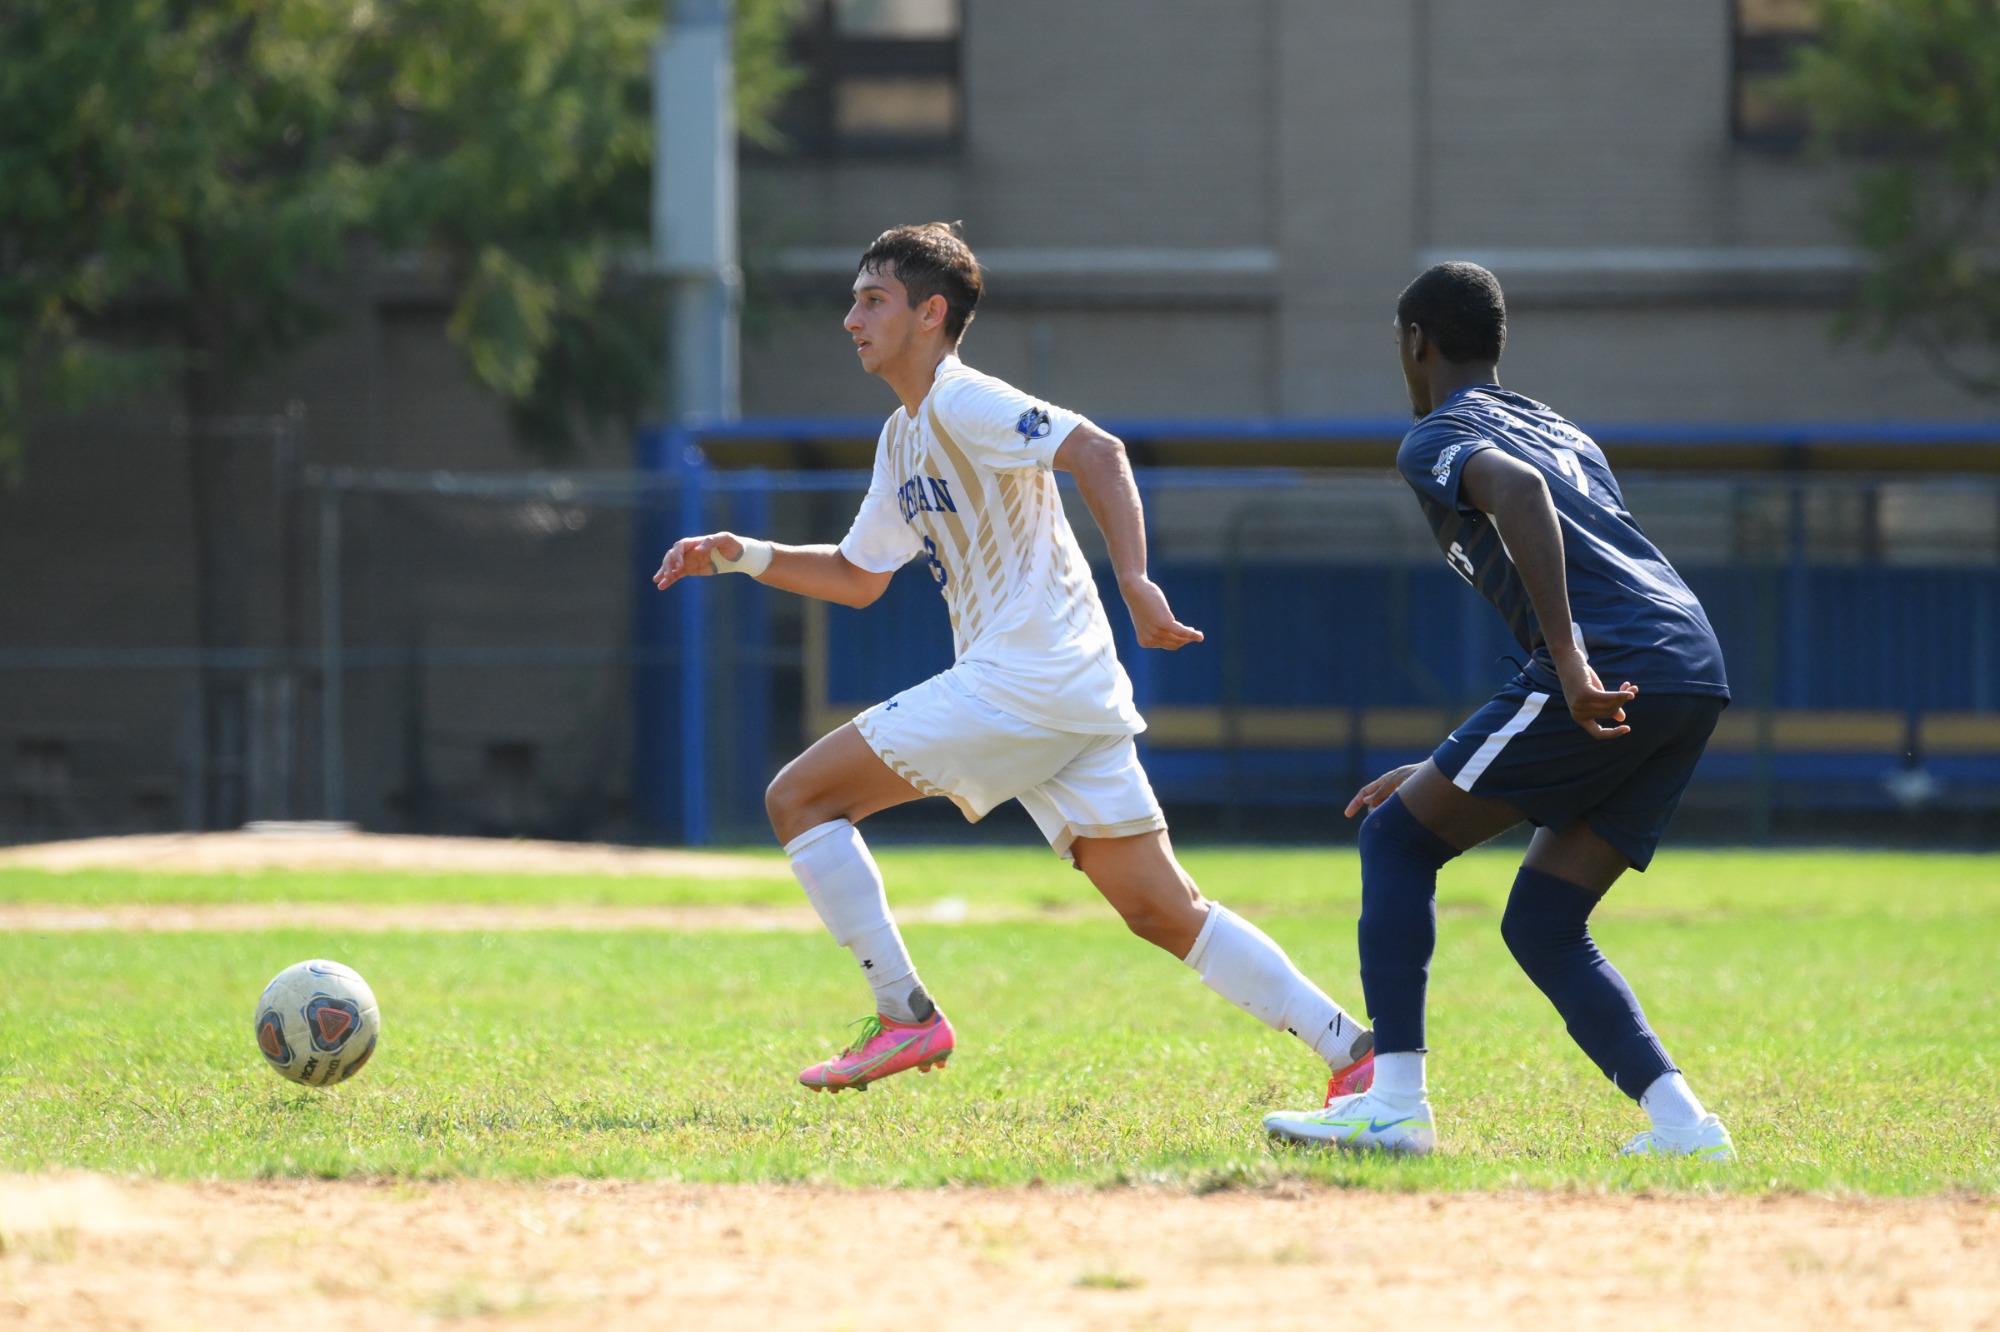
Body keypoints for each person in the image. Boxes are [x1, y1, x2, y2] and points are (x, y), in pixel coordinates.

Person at [654, 222, 1375, 1100]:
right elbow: (857, 577)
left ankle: (905, 1017)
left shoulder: (964, 401)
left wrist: (1138, 581)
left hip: (1025, 682)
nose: (851, 318)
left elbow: (1097, 449)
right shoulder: (902, 436)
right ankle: (1354, 1055)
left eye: (871, 299)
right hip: (1067, 693)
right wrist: (743, 553)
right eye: (853, 299)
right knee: (1162, 909)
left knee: (798, 797)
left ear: (931, 313)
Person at [1264, 262, 1736, 1159]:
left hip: (1612, 660)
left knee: (1397, 840)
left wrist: (1570, 662)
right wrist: (1450, 760)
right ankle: (1686, 1128)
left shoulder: (1435, 434)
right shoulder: (1566, 430)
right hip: (1688, 663)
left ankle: (1394, 1104)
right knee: (1544, 923)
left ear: (1416, 342)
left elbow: (1516, 495)